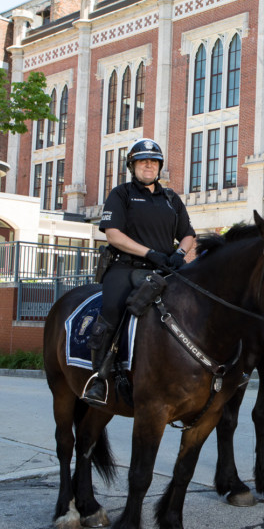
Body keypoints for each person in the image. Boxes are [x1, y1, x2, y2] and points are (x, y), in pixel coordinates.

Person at [82, 138, 196, 406]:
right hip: (127, 268)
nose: (149, 165)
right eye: (143, 161)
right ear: (132, 166)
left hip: (165, 269)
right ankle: (99, 378)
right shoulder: (121, 194)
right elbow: (113, 235)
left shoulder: (171, 198)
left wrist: (180, 254)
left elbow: (188, 234)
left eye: (154, 162)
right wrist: (149, 253)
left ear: (159, 167)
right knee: (113, 309)